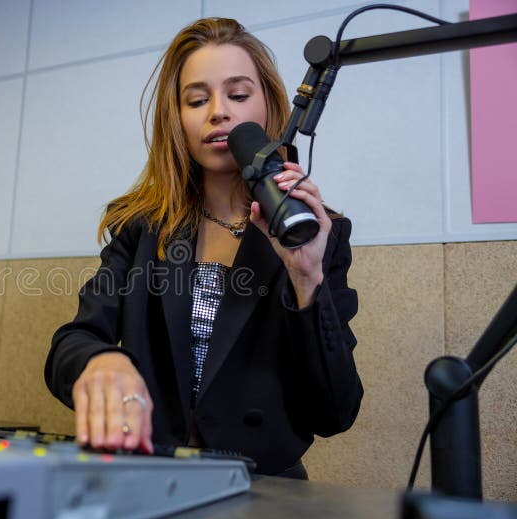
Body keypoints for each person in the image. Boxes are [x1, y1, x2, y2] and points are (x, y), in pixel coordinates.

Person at [44, 17, 363, 478]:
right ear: (177, 117)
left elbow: (335, 412)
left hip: (262, 491)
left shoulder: (318, 232)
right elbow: (70, 344)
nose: (218, 112)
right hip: (150, 476)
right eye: (197, 99)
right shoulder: (141, 227)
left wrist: (306, 277)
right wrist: (100, 361)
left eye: (237, 94)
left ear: (270, 108)